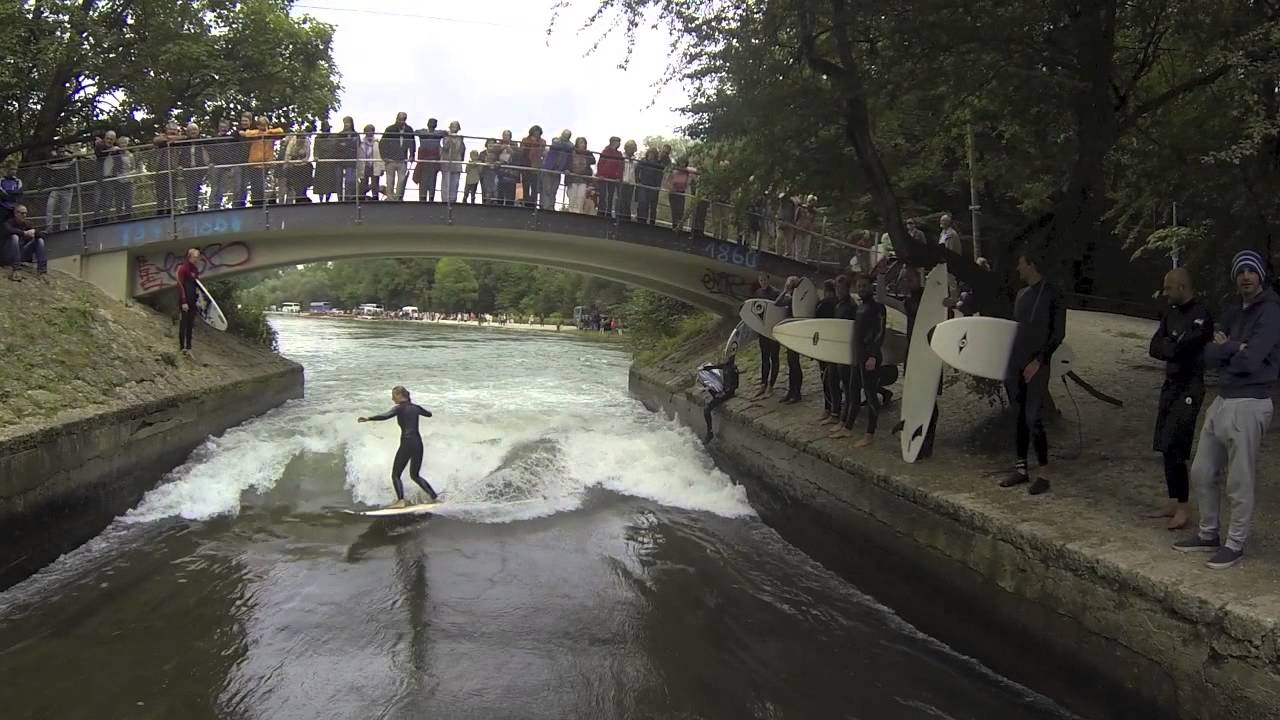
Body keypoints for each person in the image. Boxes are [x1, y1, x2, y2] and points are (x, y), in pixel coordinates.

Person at [1174, 250, 1280, 569]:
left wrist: (1228, 347)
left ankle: (1235, 543)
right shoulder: (1234, 311)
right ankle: (1208, 533)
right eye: (1240, 271)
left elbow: (1252, 360)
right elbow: (1208, 355)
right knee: (1202, 470)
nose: (1245, 276)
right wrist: (1234, 348)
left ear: (1261, 275)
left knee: (1239, 478)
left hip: (1251, 401)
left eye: (1251, 270)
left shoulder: (1271, 311)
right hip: (1223, 399)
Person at [1146, 267, 1213, 531]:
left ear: (1182, 287)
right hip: (1171, 385)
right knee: (1164, 445)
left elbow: (1186, 348)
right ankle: (1173, 501)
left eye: (1168, 288)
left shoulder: (1201, 314)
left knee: (1176, 446)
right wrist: (1172, 345)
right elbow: (1155, 347)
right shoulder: (1170, 313)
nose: (1165, 293)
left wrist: (1171, 345)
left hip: (1189, 388)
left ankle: (1184, 507)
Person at [1001, 252, 1065, 496]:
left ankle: (1044, 474)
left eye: (1021, 264)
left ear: (1032, 265)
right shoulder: (1021, 295)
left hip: (1037, 364)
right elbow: (1016, 330)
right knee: (1018, 415)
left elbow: (1058, 333)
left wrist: (1039, 361)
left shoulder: (1053, 294)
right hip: (1016, 363)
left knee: (1033, 417)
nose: (1018, 268)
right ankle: (1021, 468)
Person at [357, 385, 441, 509]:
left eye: (393, 395)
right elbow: (429, 414)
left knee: (395, 475)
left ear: (399, 395)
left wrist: (369, 418)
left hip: (407, 443)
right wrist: (417, 409)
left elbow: (385, 416)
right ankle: (434, 498)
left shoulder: (399, 408)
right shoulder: (415, 408)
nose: (392, 398)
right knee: (415, 475)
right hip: (418, 443)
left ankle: (401, 501)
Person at [831, 273, 886, 447]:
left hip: (870, 358)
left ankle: (870, 434)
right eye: (859, 286)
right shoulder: (860, 307)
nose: (861, 289)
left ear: (871, 287)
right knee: (853, 391)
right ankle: (847, 427)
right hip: (858, 356)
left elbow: (880, 332)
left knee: (870, 395)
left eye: (864, 286)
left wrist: (872, 356)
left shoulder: (877, 307)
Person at [774, 276, 804, 403]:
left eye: (790, 287)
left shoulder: (793, 300)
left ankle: (796, 392)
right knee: (792, 363)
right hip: (791, 334)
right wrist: (786, 291)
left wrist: (785, 291)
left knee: (794, 363)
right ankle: (792, 391)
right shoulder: (793, 299)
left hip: (795, 334)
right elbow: (777, 303)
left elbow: (777, 302)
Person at [751, 272, 781, 399]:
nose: (763, 282)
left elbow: (780, 311)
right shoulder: (758, 293)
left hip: (773, 330)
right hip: (763, 331)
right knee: (764, 357)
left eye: (764, 280)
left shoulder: (776, 293)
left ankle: (771, 385)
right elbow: (755, 310)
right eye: (761, 280)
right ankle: (763, 384)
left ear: (768, 279)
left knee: (774, 357)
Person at [699, 354, 739, 443]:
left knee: (707, 409)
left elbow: (735, 386)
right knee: (707, 386)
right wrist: (706, 368)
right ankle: (710, 431)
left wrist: (723, 393)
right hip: (724, 391)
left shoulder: (732, 369)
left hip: (727, 393)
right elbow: (716, 366)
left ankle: (710, 432)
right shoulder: (725, 366)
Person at [4, 205, 47, 282]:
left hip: (21, 254)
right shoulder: (8, 223)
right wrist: (24, 233)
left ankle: (42, 271)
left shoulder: (27, 224)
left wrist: (34, 232)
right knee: (14, 237)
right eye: (22, 213)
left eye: (26, 213)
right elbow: (9, 230)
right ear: (15, 214)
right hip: (8, 255)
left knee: (39, 240)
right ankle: (16, 270)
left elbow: (42, 235)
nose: (24, 215)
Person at [815, 279, 837, 421]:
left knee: (827, 379)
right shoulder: (838, 303)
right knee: (832, 379)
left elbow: (816, 326)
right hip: (833, 346)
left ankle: (829, 409)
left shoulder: (823, 305)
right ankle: (832, 409)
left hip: (825, 347)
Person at [380, 112, 414, 201]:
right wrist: (384, 157)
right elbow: (382, 143)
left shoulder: (409, 130)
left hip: (403, 159)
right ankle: (390, 198)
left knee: (401, 181)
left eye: (403, 119)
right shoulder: (389, 129)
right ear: (396, 118)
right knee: (390, 180)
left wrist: (412, 155)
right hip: (390, 160)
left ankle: (398, 198)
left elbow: (412, 143)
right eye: (400, 119)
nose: (401, 121)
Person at [175, 247, 202, 354]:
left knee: (191, 324)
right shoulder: (183, 268)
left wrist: (198, 299)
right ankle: (182, 347)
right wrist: (183, 301)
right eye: (195, 257)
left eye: (198, 257)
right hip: (185, 301)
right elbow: (180, 285)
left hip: (193, 301)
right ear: (190, 256)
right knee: (184, 324)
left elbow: (197, 285)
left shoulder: (195, 270)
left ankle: (189, 347)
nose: (197, 259)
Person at [414, 118, 445, 202]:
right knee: (423, 180)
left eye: (434, 123)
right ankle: (422, 198)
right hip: (424, 161)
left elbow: (445, 133)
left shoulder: (438, 133)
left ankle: (431, 198)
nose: (432, 124)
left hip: (434, 161)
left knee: (432, 181)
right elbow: (415, 132)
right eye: (431, 123)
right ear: (427, 124)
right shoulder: (422, 132)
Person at [566, 137, 595, 213]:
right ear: (577, 144)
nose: (582, 144)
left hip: (583, 179)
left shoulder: (587, 153)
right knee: (572, 197)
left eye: (584, 143)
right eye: (581, 142)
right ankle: (570, 212)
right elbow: (567, 163)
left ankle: (578, 213)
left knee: (581, 198)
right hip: (572, 179)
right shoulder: (572, 152)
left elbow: (593, 161)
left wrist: (587, 154)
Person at [312, 119, 339, 202]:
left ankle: (328, 198)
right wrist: (316, 156)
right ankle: (320, 199)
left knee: (330, 182)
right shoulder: (318, 138)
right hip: (321, 163)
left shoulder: (334, 137)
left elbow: (337, 148)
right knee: (320, 182)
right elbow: (315, 149)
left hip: (331, 163)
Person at [596, 137, 624, 218]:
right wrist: (600, 174)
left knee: (611, 196)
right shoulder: (605, 151)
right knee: (603, 195)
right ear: (613, 142)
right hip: (604, 177)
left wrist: (619, 177)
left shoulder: (619, 154)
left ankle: (608, 213)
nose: (619, 144)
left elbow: (621, 166)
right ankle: (601, 212)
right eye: (618, 142)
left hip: (613, 178)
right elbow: (600, 164)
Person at [520, 125, 546, 208]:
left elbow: (542, 150)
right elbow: (522, 151)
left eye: (538, 132)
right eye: (535, 131)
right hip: (526, 164)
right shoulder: (525, 140)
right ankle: (526, 203)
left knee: (535, 187)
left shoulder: (542, 141)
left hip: (536, 165)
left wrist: (535, 142)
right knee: (526, 185)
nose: (536, 133)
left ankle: (533, 204)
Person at [634, 148, 662, 224]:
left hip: (653, 187)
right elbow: (637, 170)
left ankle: (652, 222)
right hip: (643, 185)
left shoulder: (658, 164)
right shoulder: (643, 161)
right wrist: (638, 181)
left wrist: (658, 185)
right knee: (642, 204)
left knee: (653, 205)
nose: (651, 155)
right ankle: (640, 221)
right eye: (650, 153)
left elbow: (660, 175)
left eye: (653, 154)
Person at [356, 124, 384, 201]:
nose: (369, 133)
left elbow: (381, 155)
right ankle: (362, 196)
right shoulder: (361, 143)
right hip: (364, 165)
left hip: (375, 165)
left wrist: (382, 168)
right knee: (363, 182)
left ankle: (375, 196)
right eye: (367, 131)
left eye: (371, 131)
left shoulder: (378, 143)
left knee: (375, 182)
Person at [441, 121, 465, 203]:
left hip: (457, 163)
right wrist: (450, 138)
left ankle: (453, 200)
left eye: (456, 127)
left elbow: (462, 151)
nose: (455, 128)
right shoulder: (446, 137)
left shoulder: (460, 138)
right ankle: (445, 201)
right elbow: (445, 147)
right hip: (447, 163)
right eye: (453, 126)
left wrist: (461, 142)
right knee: (446, 184)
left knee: (455, 183)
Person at [618, 139, 638, 221]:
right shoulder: (621, 157)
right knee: (621, 200)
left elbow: (636, 171)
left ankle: (627, 219)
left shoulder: (636, 160)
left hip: (631, 183)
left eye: (632, 148)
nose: (630, 149)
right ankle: (619, 218)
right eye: (629, 147)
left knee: (628, 202)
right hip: (622, 181)